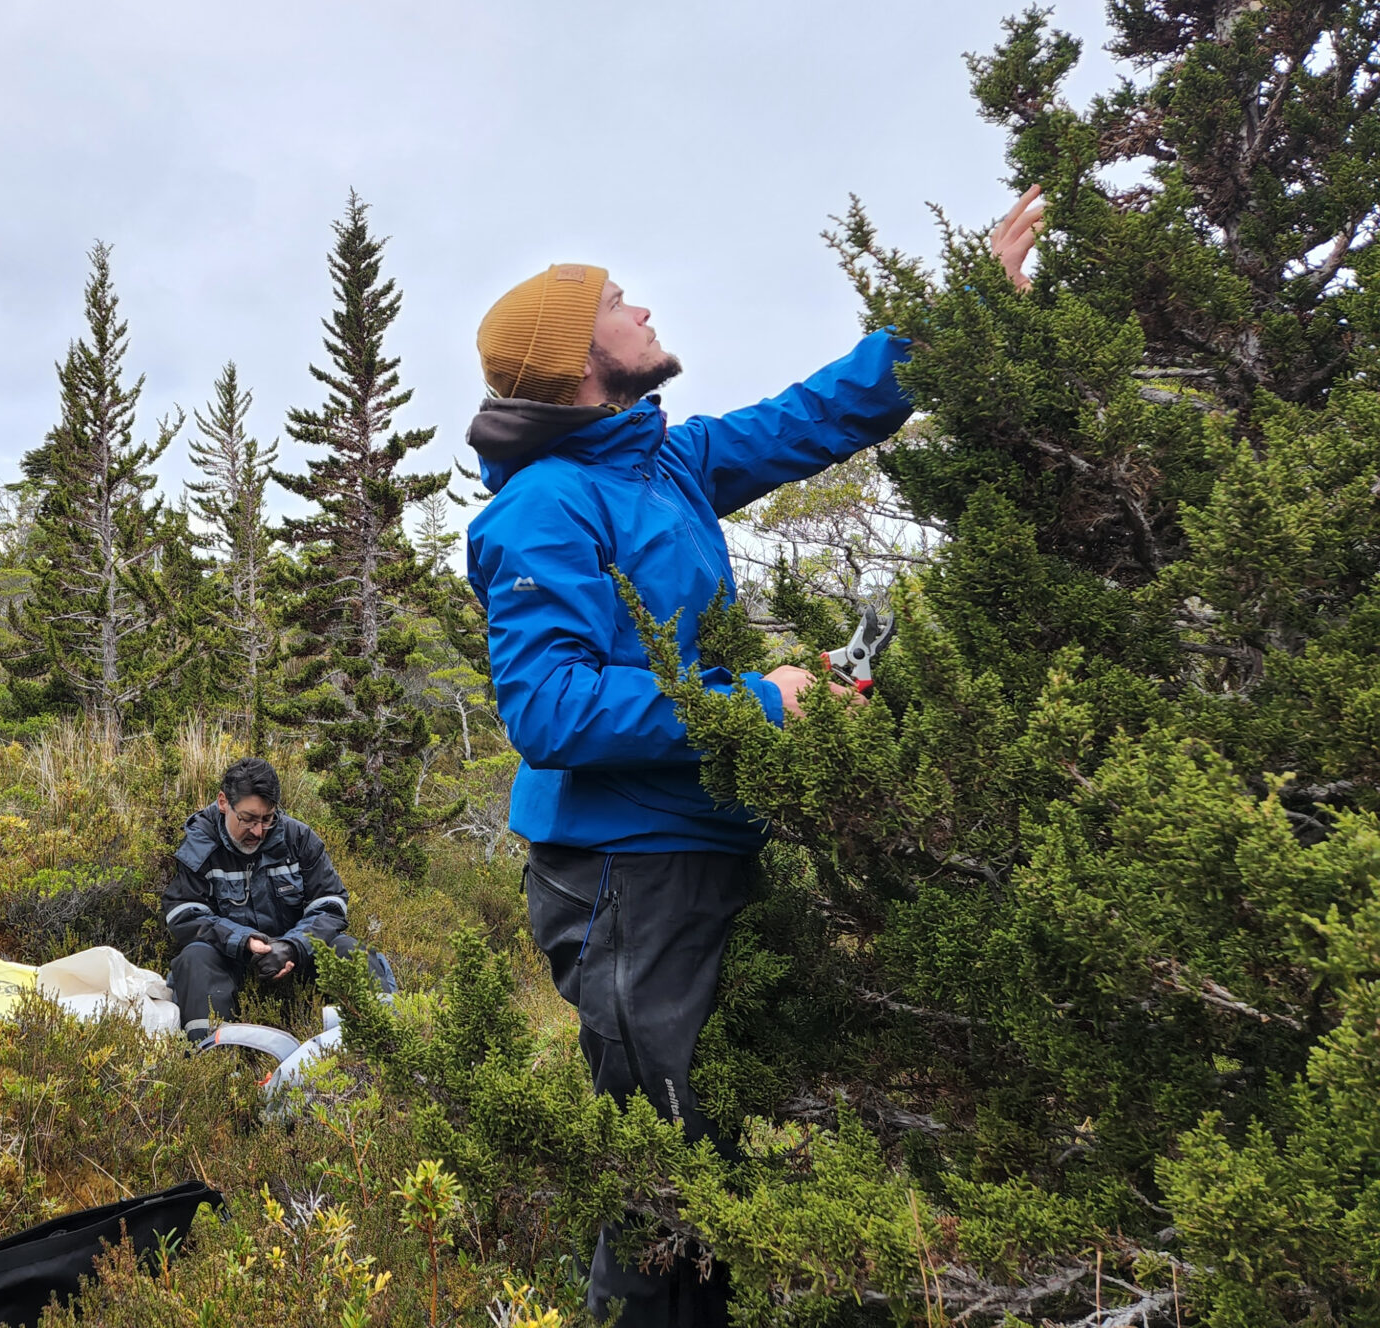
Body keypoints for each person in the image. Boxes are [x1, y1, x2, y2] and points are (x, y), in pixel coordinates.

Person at [464, 193, 1043, 1326]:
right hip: (626, 877)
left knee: (702, 1162)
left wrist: (963, 311)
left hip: (696, 854)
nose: (641, 307)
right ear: (576, 355)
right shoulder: (543, 506)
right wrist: (762, 702)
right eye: (618, 300)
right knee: (661, 1185)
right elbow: (547, 707)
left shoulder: (662, 466)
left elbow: (806, 417)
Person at [161, 757, 392, 1043]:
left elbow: (331, 903)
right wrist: (244, 942)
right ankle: (212, 1058)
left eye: (267, 819)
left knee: (352, 953)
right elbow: (184, 913)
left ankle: (378, 1047)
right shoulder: (200, 844)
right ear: (223, 803)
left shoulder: (298, 838)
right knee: (194, 960)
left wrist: (293, 946)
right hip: (231, 959)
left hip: (297, 956)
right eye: (247, 819)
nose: (258, 831)